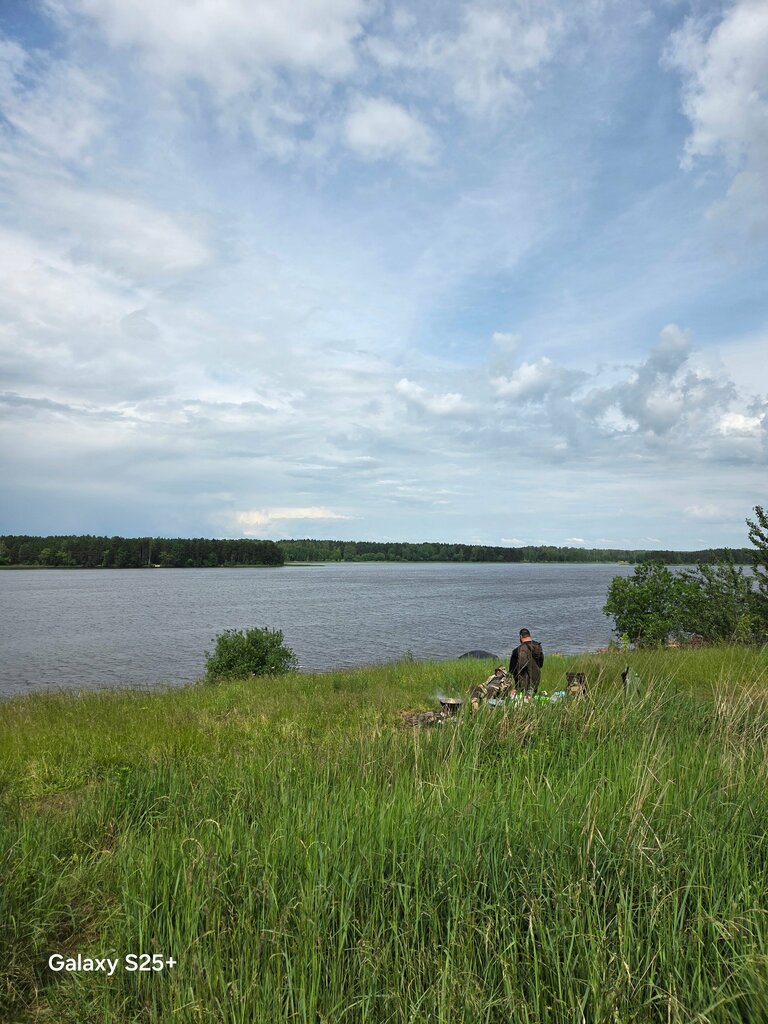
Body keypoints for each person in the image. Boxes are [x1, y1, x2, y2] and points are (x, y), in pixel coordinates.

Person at [509, 628, 544, 695]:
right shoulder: (538, 647)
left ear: (520, 637)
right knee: (532, 696)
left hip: (522, 682)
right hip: (536, 679)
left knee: (523, 698)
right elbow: (541, 663)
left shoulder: (517, 650)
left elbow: (512, 670)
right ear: (529, 635)